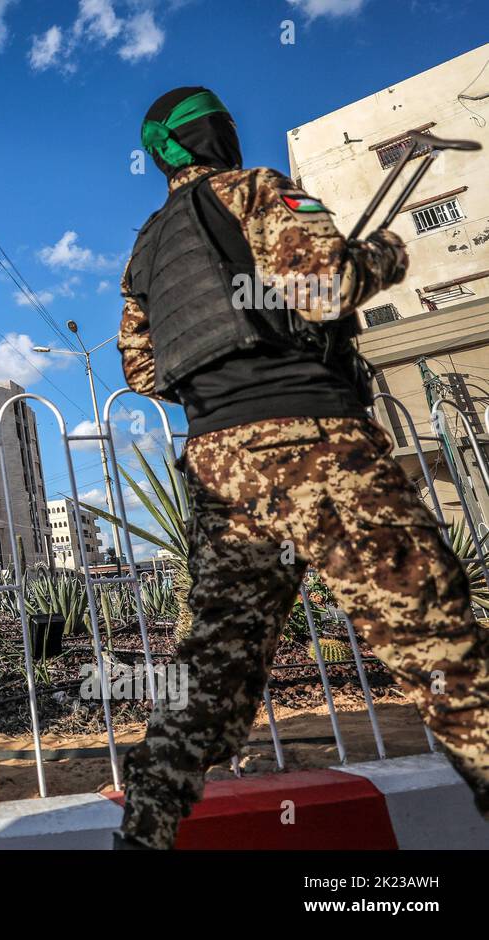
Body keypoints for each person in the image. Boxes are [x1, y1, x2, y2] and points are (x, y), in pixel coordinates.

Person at [115, 86, 489, 849]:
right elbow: (327, 289)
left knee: (209, 679)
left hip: (222, 464)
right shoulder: (257, 190)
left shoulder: (146, 250)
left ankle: (143, 834)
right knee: (439, 648)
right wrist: (383, 253)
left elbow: (143, 370)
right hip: (318, 444)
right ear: (215, 134)